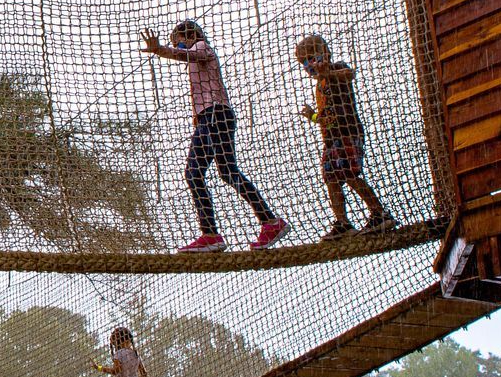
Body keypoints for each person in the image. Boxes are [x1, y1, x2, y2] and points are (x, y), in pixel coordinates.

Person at [141, 19, 287, 252]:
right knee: (196, 173)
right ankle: (211, 234)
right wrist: (197, 117)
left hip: (217, 115)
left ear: (188, 37)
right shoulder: (195, 60)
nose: (179, 48)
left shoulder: (202, 47)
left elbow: (190, 55)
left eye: (178, 43)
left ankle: (269, 222)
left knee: (224, 171)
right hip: (207, 118)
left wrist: (162, 50)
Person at [294, 33, 396, 240]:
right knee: (331, 177)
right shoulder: (319, 87)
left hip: (348, 132)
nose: (310, 65)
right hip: (331, 139)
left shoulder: (336, 68)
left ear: (326, 54)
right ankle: (342, 223)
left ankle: (379, 213)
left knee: (349, 173)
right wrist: (312, 115)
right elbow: (325, 117)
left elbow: (350, 74)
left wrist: (329, 73)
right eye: (305, 62)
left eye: (313, 58)